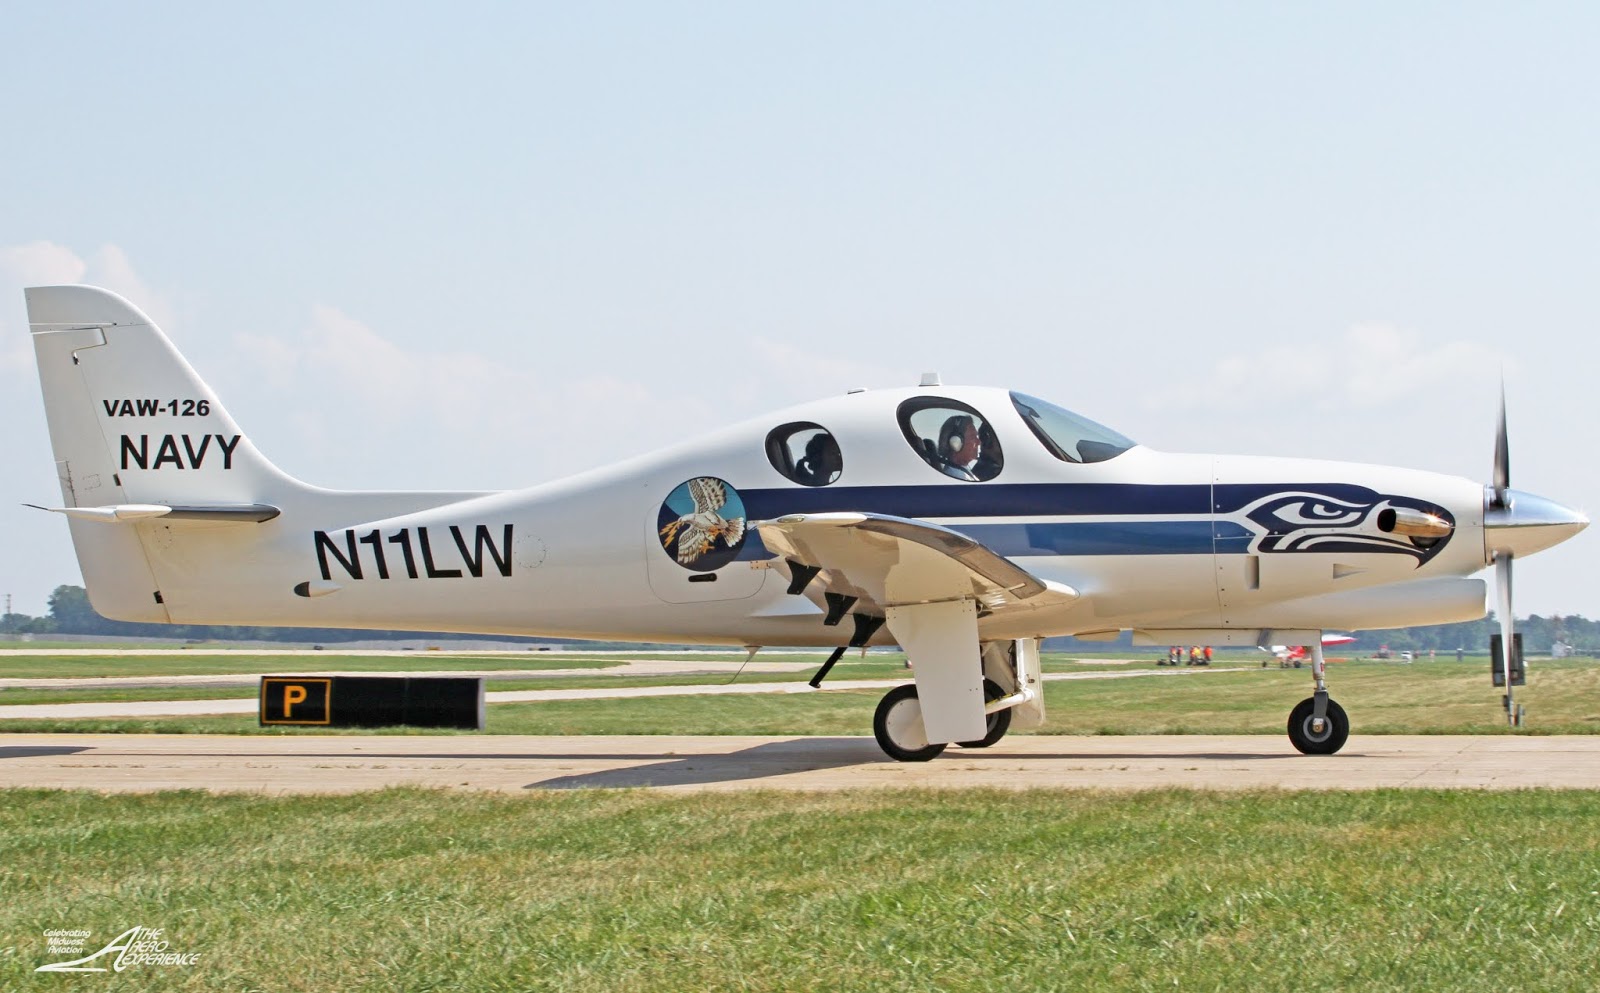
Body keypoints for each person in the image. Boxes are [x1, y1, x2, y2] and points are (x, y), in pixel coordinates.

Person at [935, 415, 982, 481]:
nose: (978, 442)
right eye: (972, 437)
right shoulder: (957, 476)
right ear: (955, 443)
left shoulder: (962, 471)